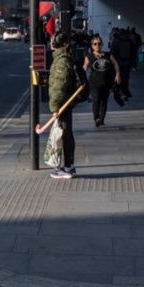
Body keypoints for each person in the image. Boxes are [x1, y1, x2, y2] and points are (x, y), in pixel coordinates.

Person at [48, 31, 82, 179]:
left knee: (65, 135)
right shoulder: (63, 59)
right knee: (66, 134)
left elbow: (59, 86)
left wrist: (54, 107)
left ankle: (68, 167)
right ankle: (68, 166)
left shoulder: (62, 61)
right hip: (65, 103)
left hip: (63, 104)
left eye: (51, 40)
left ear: (55, 43)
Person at [82, 35, 120, 128]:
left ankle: (102, 119)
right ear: (92, 46)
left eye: (99, 44)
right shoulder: (89, 56)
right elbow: (84, 68)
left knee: (104, 101)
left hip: (106, 82)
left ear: (102, 44)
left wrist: (118, 74)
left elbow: (115, 64)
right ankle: (96, 118)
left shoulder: (108, 55)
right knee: (96, 99)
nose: (97, 46)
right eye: (95, 44)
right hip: (94, 82)